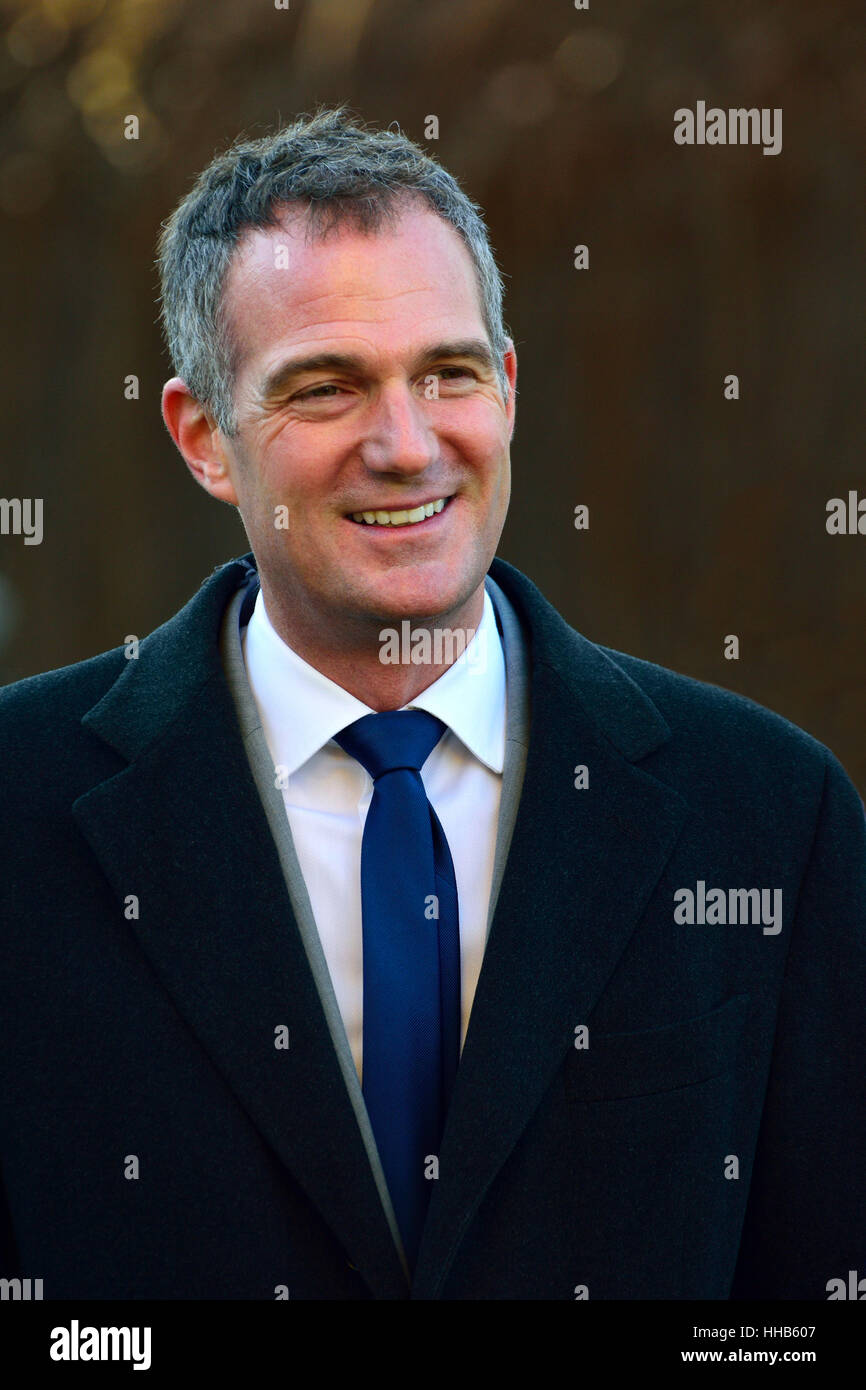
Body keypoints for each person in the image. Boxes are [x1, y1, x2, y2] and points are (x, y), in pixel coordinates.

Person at [1, 105, 863, 1302]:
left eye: (445, 373)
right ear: (204, 436)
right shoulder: (17, 805)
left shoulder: (772, 814)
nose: (405, 446)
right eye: (325, 387)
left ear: (504, 389)